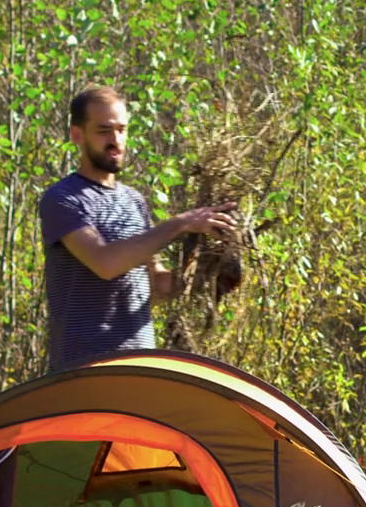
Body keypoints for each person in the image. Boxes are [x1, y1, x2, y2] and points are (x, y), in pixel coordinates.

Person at [38, 85, 233, 371]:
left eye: (122, 129)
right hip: (83, 372)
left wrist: (210, 275)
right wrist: (179, 224)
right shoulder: (63, 199)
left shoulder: (133, 201)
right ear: (77, 135)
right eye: (104, 130)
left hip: (140, 370)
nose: (116, 140)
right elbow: (105, 262)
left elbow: (153, 287)